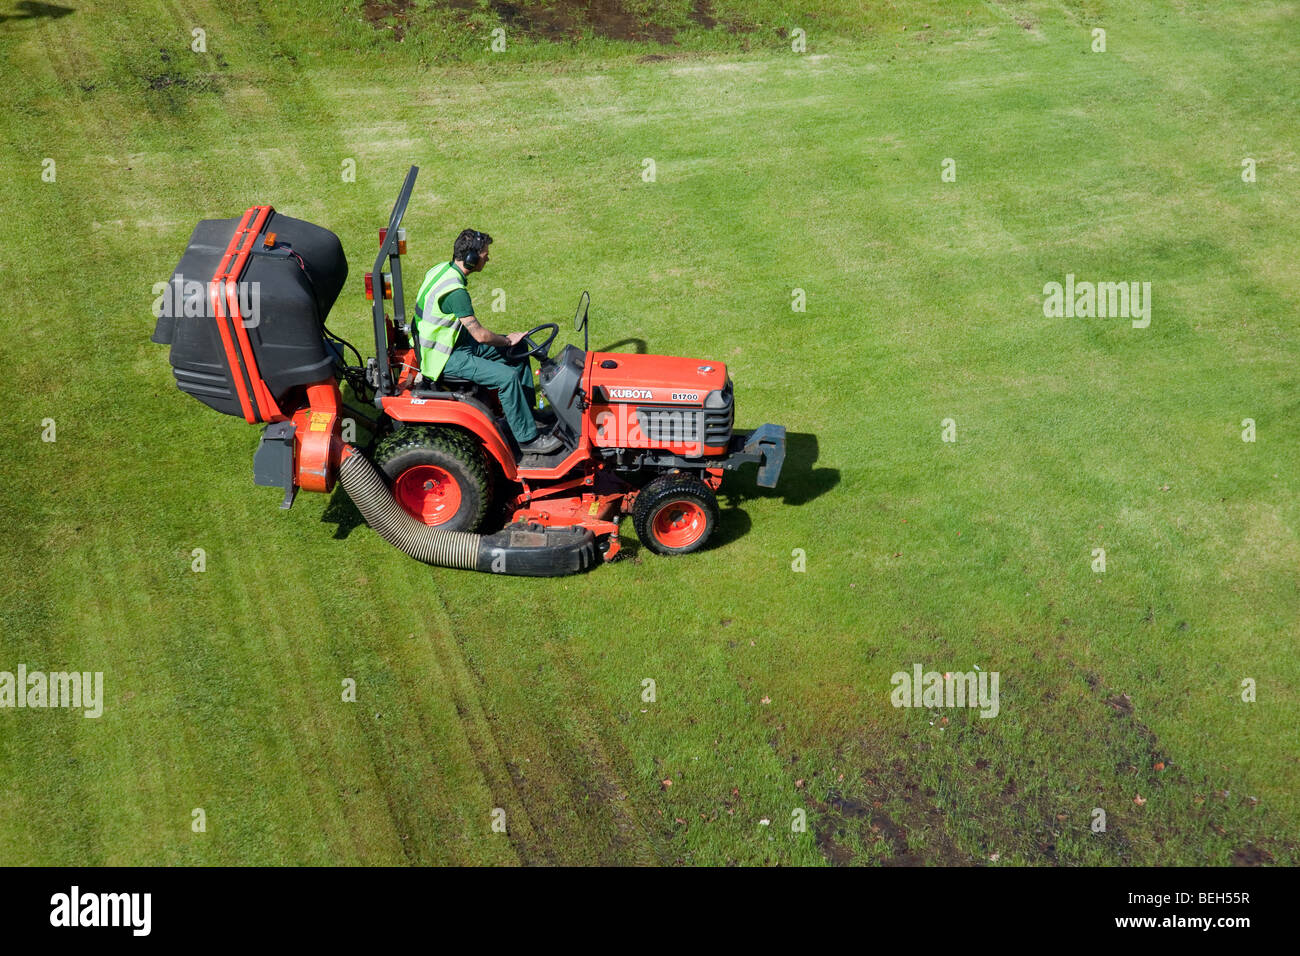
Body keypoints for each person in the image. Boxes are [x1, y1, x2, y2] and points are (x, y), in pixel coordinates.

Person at [412, 229, 561, 454]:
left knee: (519, 348)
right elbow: (480, 335)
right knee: (507, 377)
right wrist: (506, 340)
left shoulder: (441, 270)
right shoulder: (455, 292)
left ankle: (527, 414)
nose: (488, 258)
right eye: (485, 254)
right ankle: (528, 440)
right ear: (471, 259)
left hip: (453, 344)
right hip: (445, 358)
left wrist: (512, 343)